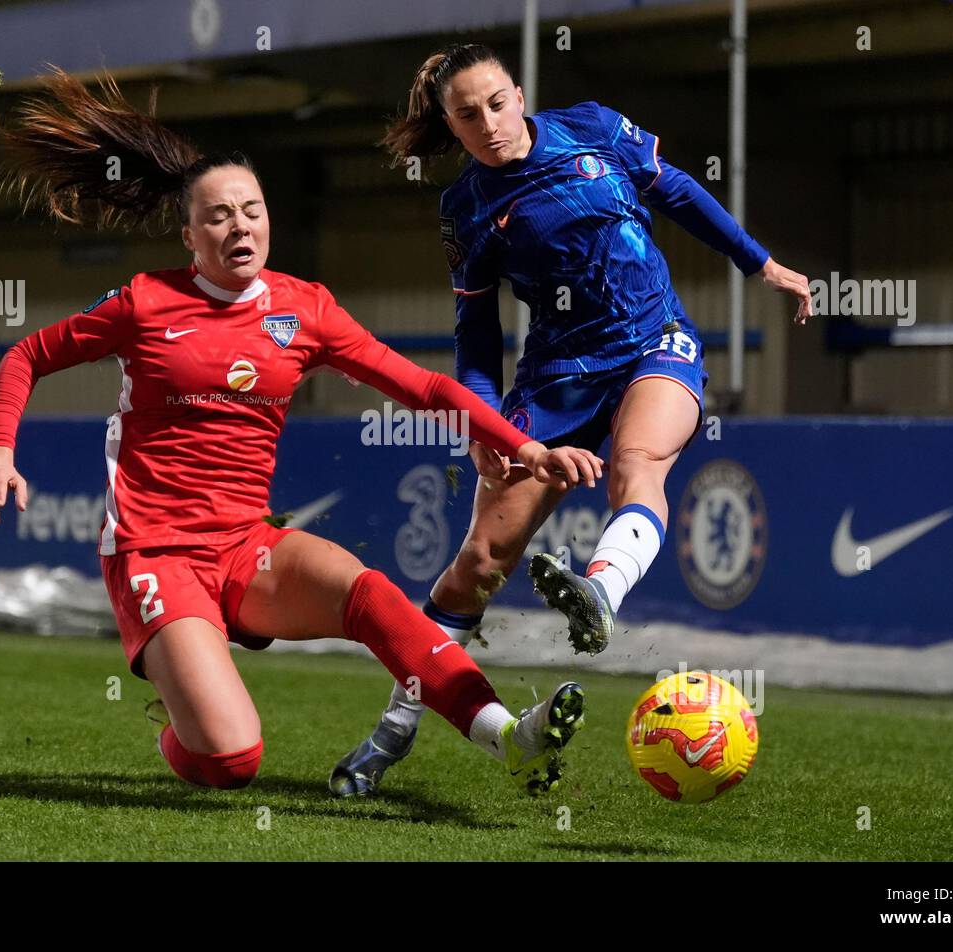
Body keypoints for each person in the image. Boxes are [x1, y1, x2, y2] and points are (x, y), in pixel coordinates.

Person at [0, 68, 604, 797]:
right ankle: (178, 716)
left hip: (246, 546)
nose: (240, 226)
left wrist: (521, 444)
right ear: (189, 235)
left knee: (373, 597)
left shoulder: (305, 309)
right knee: (232, 763)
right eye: (219, 216)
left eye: (253, 210)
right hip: (157, 554)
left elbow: (421, 385)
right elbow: (29, 354)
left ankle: (506, 738)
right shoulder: (144, 303)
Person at [331, 43, 812, 797]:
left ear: (519, 93)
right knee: (480, 562)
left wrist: (760, 263)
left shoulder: (592, 128)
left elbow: (677, 190)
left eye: (496, 102)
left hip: (655, 343)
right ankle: (395, 725)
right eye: (466, 115)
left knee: (637, 467)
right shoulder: (465, 210)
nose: (488, 123)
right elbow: (477, 338)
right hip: (555, 380)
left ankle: (601, 593)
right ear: (450, 127)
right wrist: (486, 431)